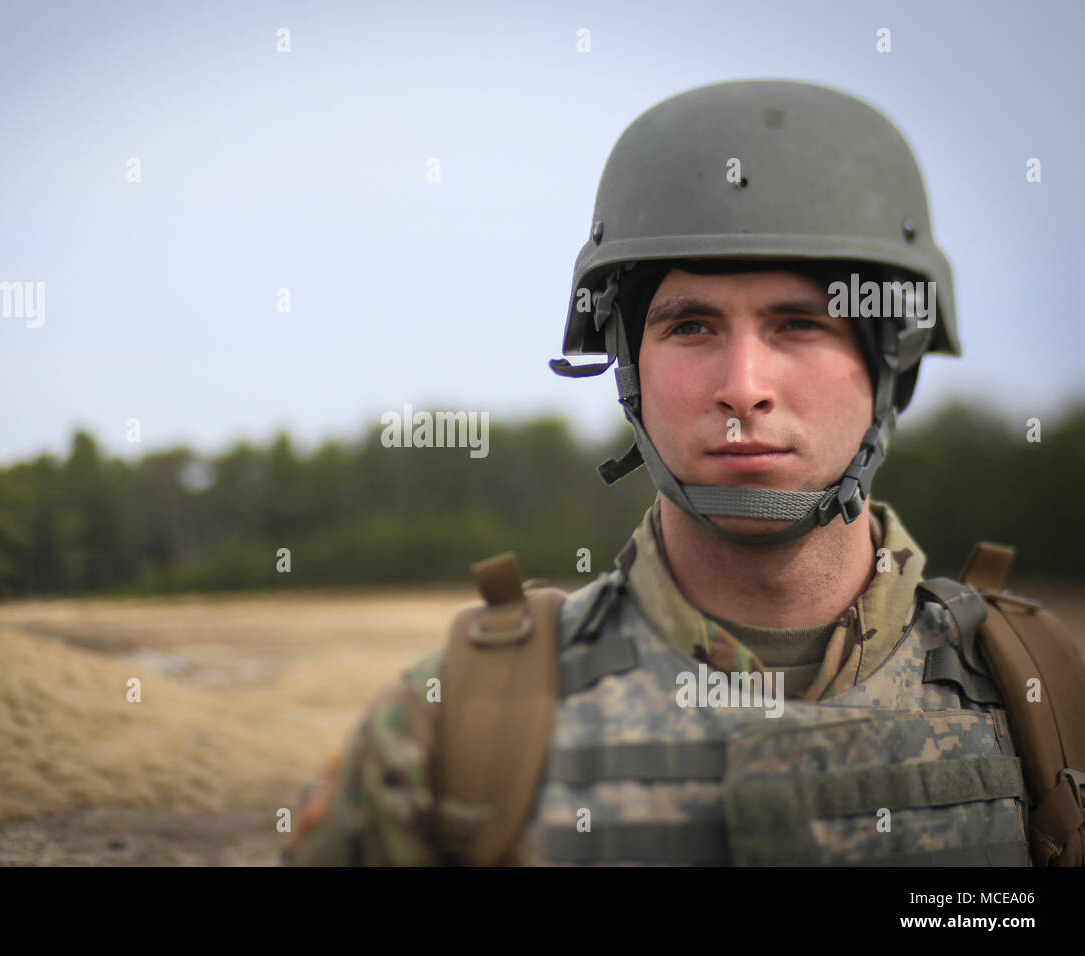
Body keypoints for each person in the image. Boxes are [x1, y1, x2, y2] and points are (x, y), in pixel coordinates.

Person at [283, 79, 1081, 866]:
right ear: (629, 366)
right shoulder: (458, 726)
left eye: (799, 324)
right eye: (691, 325)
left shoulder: (1041, 692)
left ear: (889, 368)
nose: (742, 386)